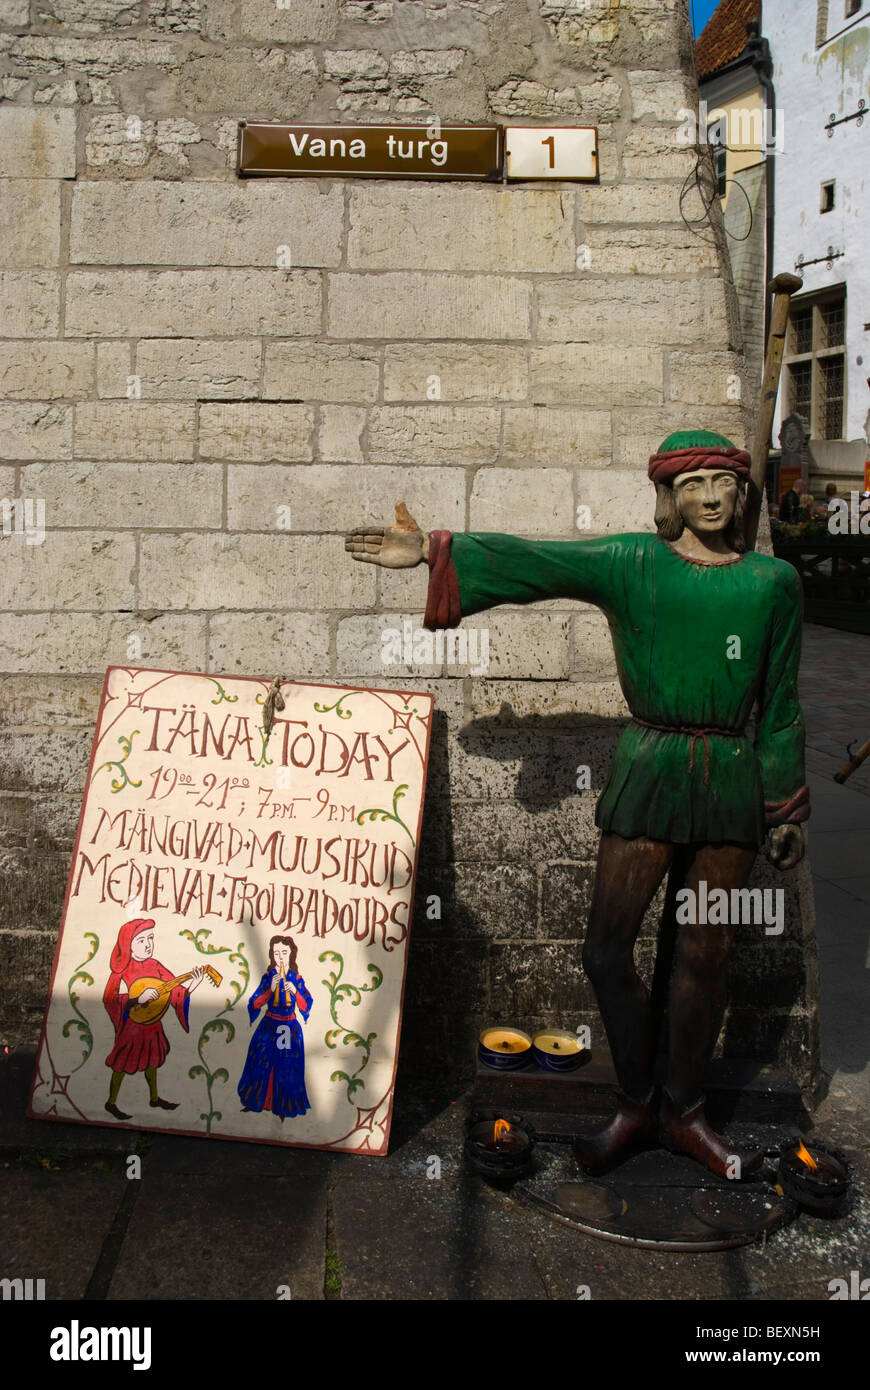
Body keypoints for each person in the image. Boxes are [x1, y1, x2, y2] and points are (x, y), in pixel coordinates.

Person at [346, 429, 809, 1179]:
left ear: (745, 493)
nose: (713, 497)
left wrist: (785, 806)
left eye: (725, 483)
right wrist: (436, 552)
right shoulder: (633, 563)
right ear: (670, 497)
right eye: (693, 485)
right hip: (650, 765)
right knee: (605, 949)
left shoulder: (773, 583)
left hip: (730, 777)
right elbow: (543, 563)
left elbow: (782, 704)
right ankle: (634, 1101)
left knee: (702, 954)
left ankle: (685, 1111)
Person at [103, 917, 205, 1119]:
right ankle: (111, 1102)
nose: (148, 944)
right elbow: (109, 998)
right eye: (141, 940)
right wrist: (135, 999)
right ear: (128, 945)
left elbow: (175, 990)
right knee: (122, 1063)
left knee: (152, 1060)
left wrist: (193, 984)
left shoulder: (155, 965)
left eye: (150, 938)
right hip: (132, 1026)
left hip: (152, 1024)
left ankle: (154, 1098)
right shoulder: (121, 971)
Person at [238, 936, 313, 1120]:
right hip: (269, 1024)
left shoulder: (296, 979)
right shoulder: (269, 977)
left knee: (285, 1064)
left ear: (291, 954)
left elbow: (307, 1004)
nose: (280, 957)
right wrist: (269, 990)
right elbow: (254, 1002)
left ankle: (282, 1106)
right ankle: (255, 1101)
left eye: (284, 953)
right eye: (276, 953)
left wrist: (295, 991)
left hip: (287, 1026)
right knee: (259, 1060)